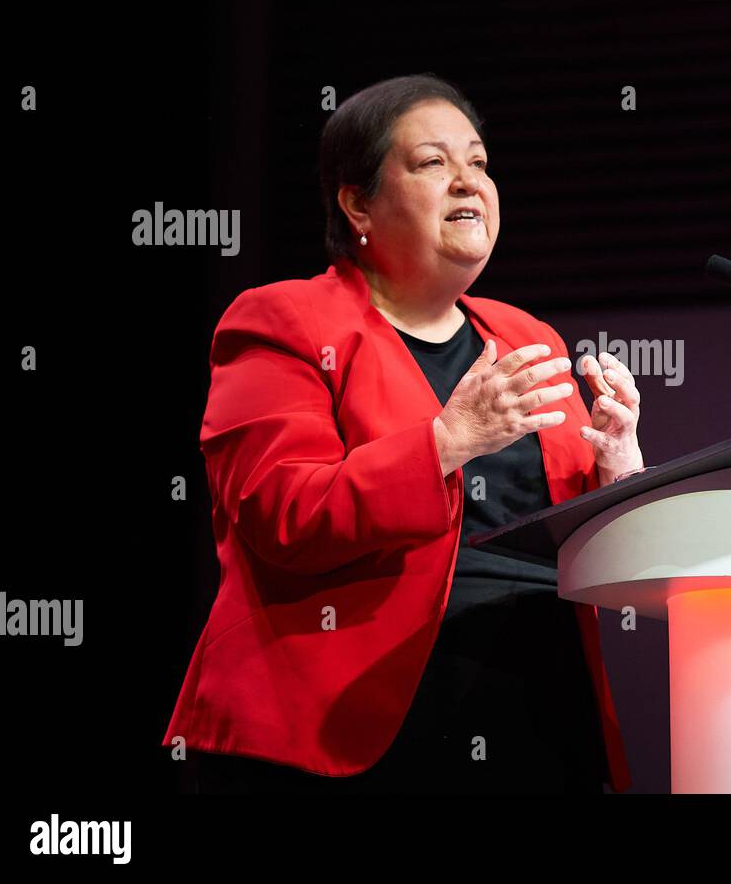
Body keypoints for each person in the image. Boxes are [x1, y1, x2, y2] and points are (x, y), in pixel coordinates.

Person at [161, 74, 644, 794]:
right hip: (359, 720)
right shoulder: (282, 321)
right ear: (357, 202)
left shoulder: (525, 335)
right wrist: (446, 441)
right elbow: (280, 510)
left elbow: (580, 545)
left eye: (478, 163)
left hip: (541, 709)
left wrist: (617, 469)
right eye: (432, 163)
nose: (467, 183)